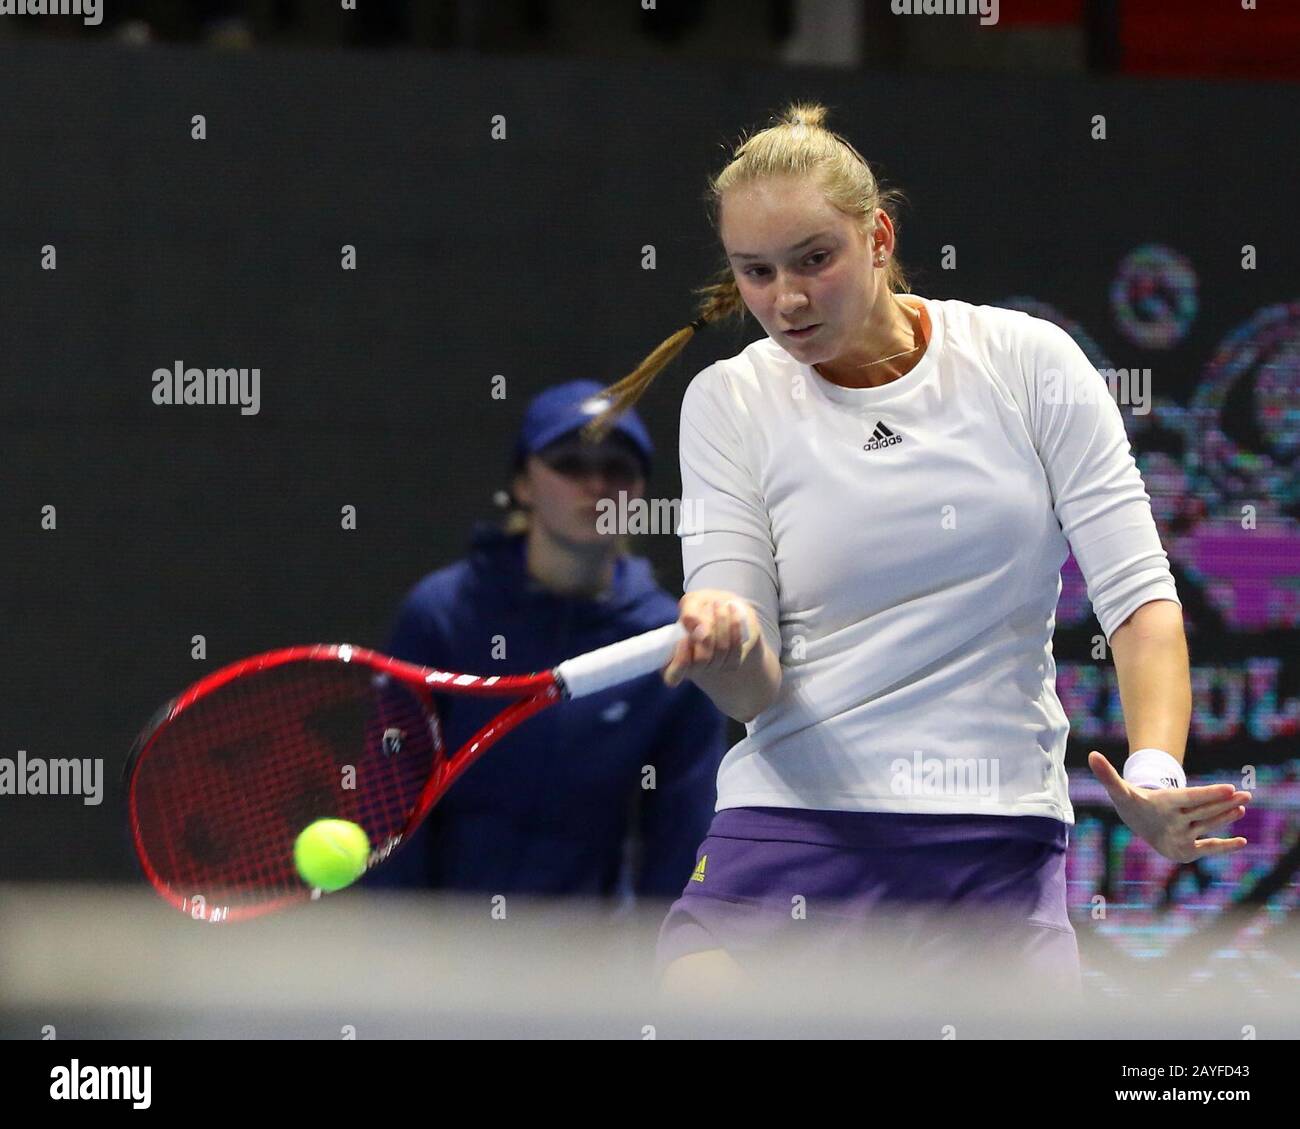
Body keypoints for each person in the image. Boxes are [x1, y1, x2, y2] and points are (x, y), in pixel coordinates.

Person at [582, 102, 1253, 996]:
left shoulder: (1027, 363)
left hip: (990, 840)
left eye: (813, 259)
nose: (785, 298)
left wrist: (1157, 769)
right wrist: (731, 644)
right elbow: (752, 683)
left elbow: (1137, 596)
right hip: (789, 826)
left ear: (878, 237)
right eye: (756, 271)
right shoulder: (729, 401)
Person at [369, 381, 726, 902]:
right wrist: (401, 955)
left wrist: (662, 968)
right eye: (570, 463)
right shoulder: (440, 614)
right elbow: (389, 798)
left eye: (618, 468)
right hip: (437, 953)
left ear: (642, 492)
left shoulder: (669, 646)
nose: (596, 484)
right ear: (523, 483)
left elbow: (682, 836)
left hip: (584, 965)